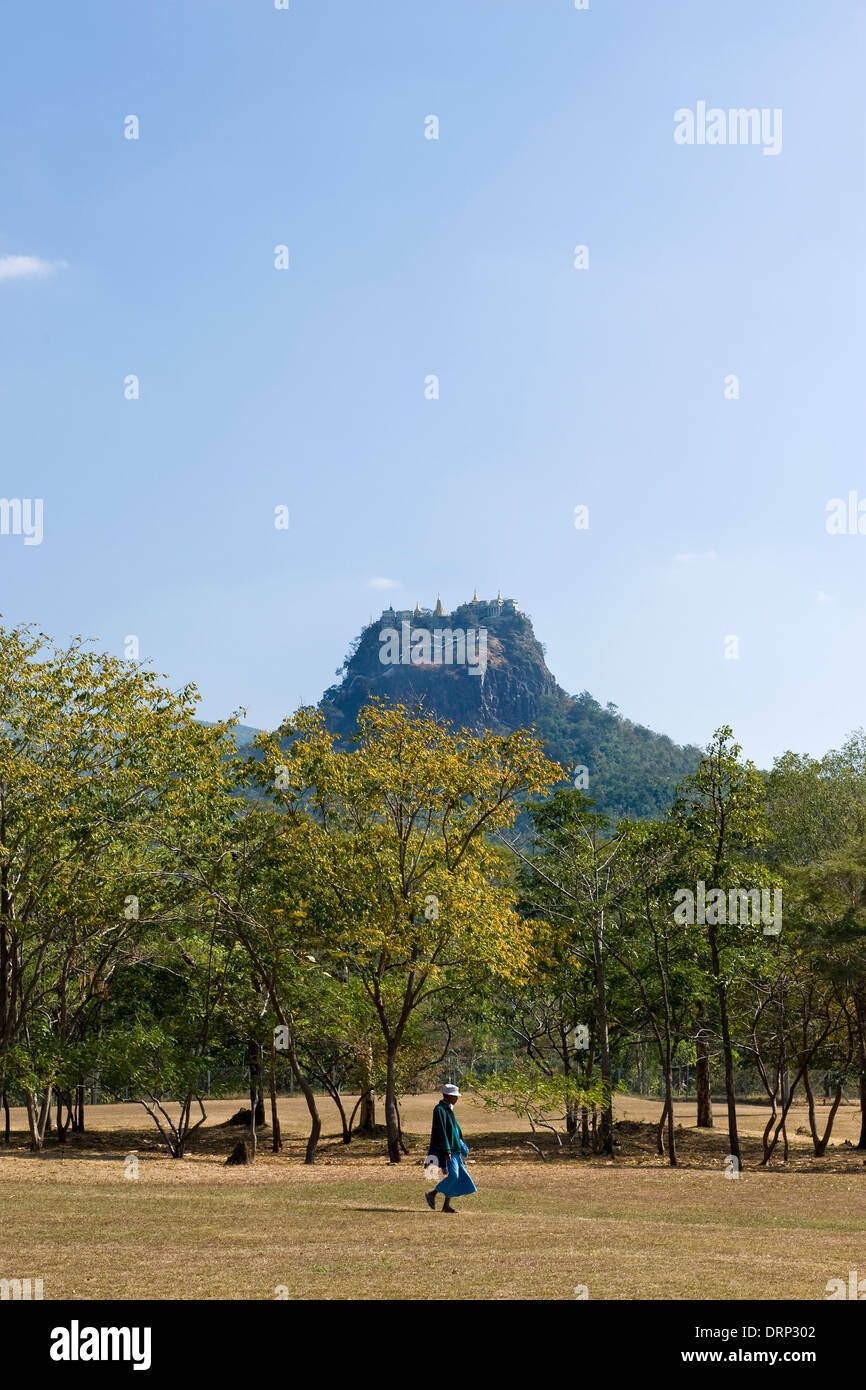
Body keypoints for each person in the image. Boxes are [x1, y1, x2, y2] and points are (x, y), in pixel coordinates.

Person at [425, 1083, 477, 1213]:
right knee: (454, 1175)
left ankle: (446, 1206)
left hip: (456, 1148)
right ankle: (433, 1193)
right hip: (450, 1150)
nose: (457, 1098)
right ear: (448, 1096)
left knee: (457, 1177)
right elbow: (441, 1132)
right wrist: (446, 1150)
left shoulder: (448, 1108)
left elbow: (455, 1129)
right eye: (455, 1096)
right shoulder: (439, 1110)